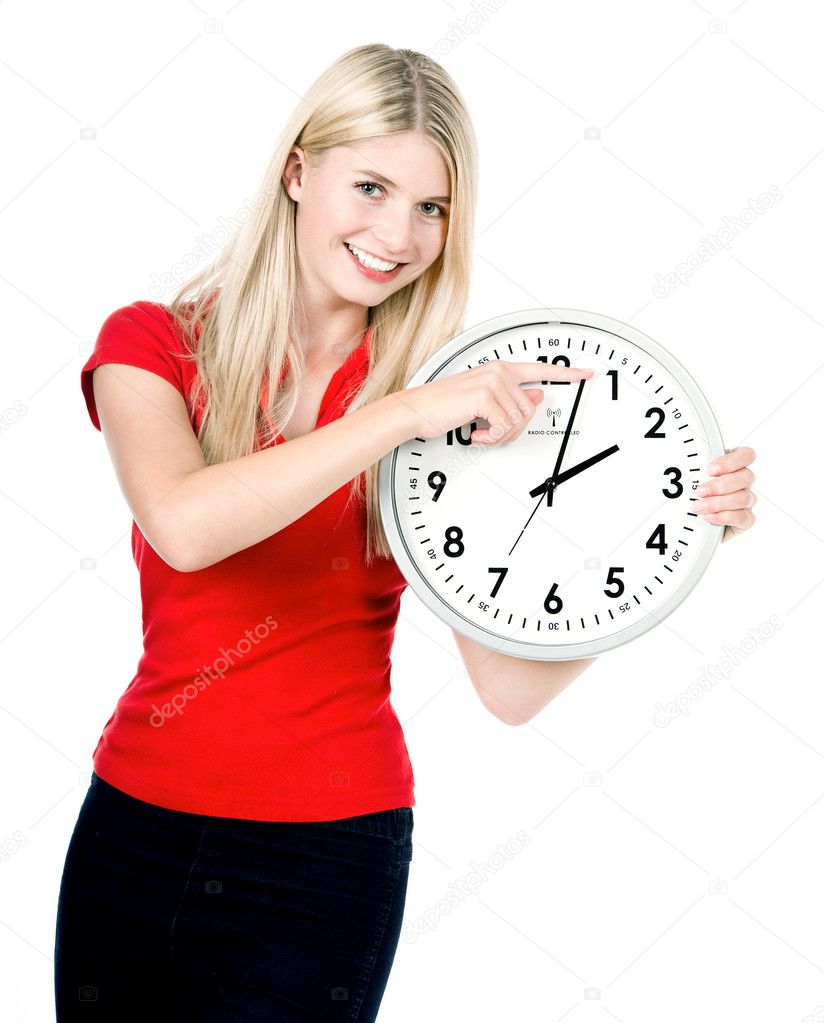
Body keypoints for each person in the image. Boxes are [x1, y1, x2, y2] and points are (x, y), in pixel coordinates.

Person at [54, 42, 758, 1022]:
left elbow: (506, 689)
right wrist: (395, 416)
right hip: (131, 835)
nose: (398, 232)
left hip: (323, 857)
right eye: (372, 188)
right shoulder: (154, 345)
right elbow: (184, 526)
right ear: (298, 172)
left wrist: (679, 546)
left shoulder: (446, 403)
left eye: (430, 208)